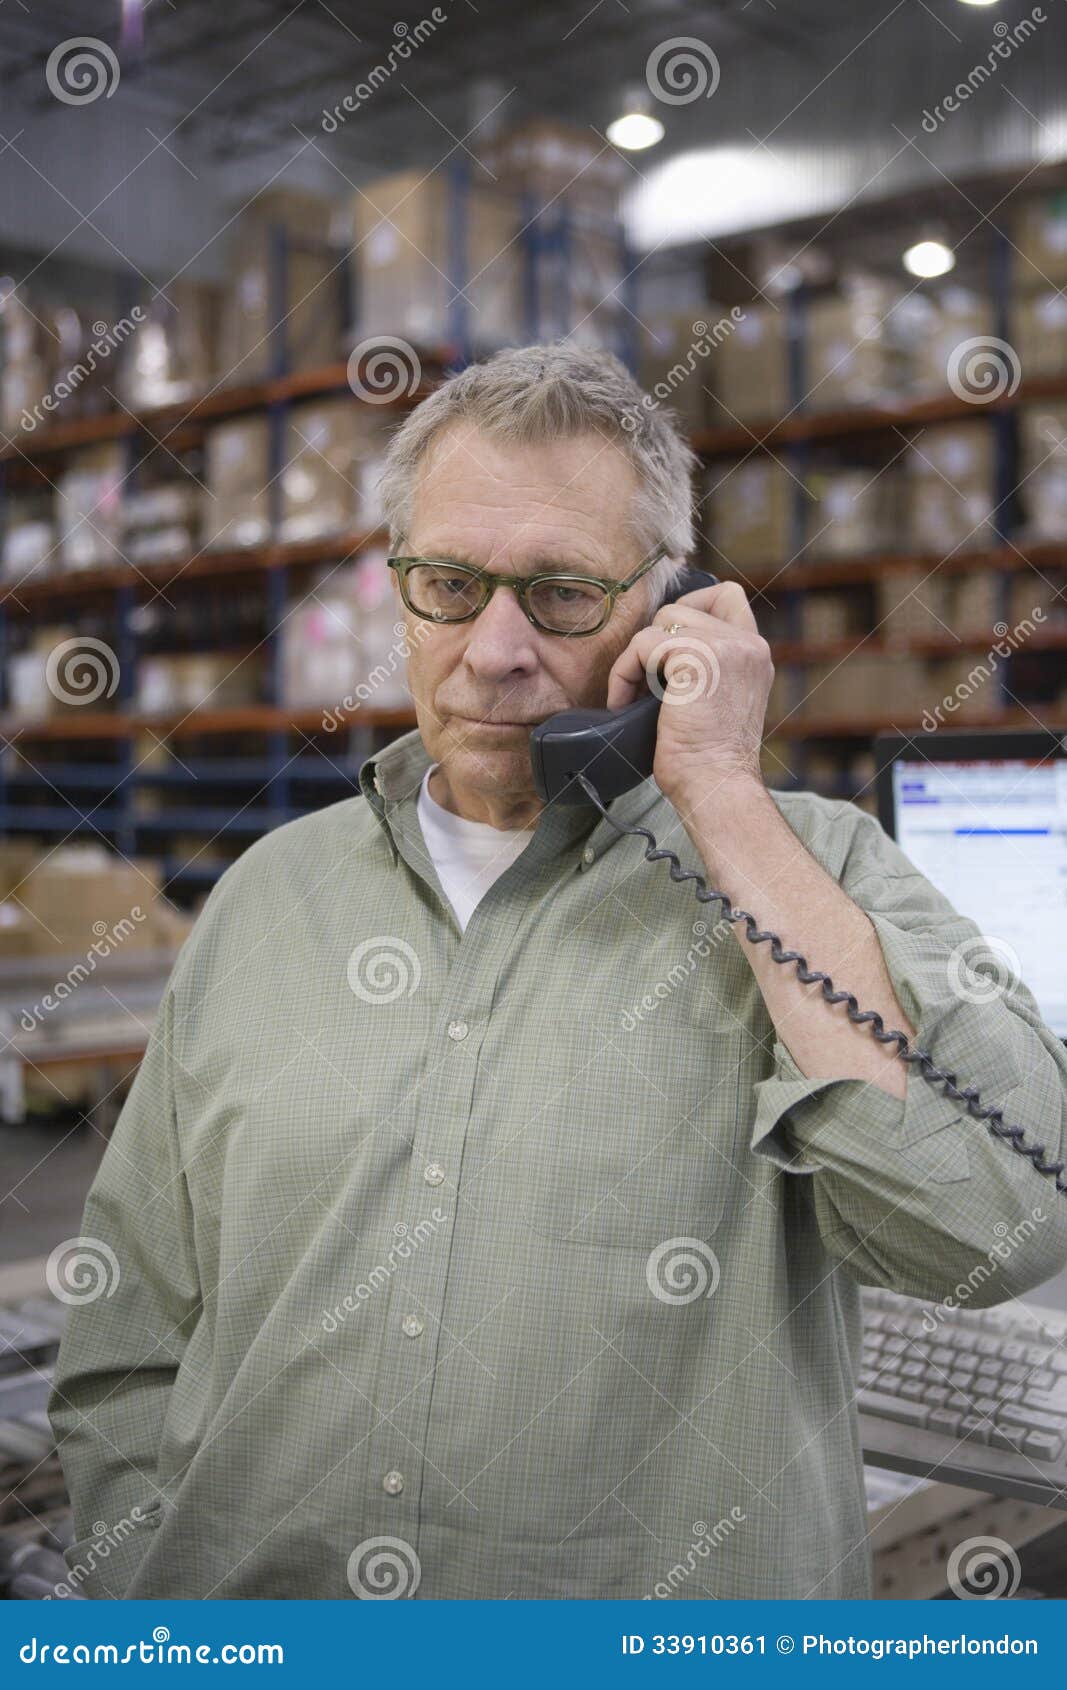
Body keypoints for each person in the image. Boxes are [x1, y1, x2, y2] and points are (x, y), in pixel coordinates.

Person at [48, 342, 1067, 1600]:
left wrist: (723, 796)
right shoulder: (266, 898)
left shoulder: (811, 876)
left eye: (562, 594)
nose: (494, 650)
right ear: (398, 588)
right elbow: (128, 1332)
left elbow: (994, 1226)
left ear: (667, 612)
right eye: (449, 584)